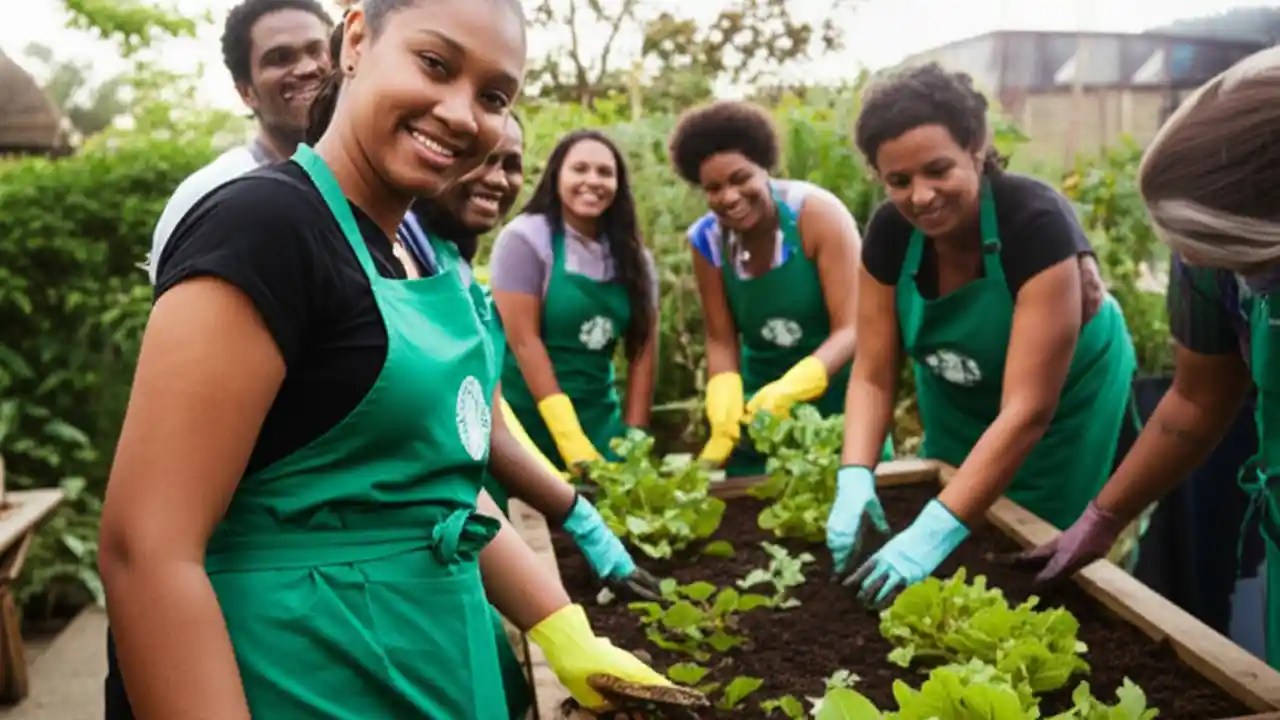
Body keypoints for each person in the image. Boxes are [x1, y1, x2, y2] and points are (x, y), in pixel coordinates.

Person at [98, 2, 670, 718]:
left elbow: (430, 486)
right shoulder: (265, 227)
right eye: (435, 64)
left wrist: (562, 627)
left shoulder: (412, 254)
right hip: (293, 683)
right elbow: (146, 551)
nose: (462, 114)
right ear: (358, 38)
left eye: (494, 96)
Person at [829, 63, 1137, 608]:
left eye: (937, 170)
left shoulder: (1033, 223)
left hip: (1064, 399)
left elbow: (1027, 410)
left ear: (976, 146)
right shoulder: (889, 235)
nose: (920, 196)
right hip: (959, 382)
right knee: (955, 499)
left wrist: (932, 534)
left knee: (1037, 538)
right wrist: (855, 474)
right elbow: (874, 376)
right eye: (899, 181)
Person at [1017, 45, 1280, 669]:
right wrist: (1105, 516)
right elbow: (1194, 398)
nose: (1227, 277)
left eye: (1251, 267)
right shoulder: (1216, 260)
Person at [667, 100, 893, 477]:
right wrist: (723, 400)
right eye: (714, 187)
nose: (729, 197)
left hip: (839, 406)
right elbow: (720, 339)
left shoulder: (817, 216)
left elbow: (854, 327)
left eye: (741, 178)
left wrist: (795, 387)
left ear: (765, 168)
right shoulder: (706, 240)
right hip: (761, 411)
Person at [490, 129, 659, 472]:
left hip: (599, 421)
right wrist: (567, 435)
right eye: (579, 169)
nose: (592, 181)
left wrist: (635, 435)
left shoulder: (632, 255)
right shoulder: (525, 240)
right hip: (528, 423)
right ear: (557, 176)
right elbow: (524, 341)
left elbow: (644, 347)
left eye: (604, 172)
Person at [146, 0, 333, 282]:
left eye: (317, 50)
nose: (307, 67)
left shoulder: (379, 189)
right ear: (247, 92)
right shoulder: (212, 196)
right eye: (280, 58)